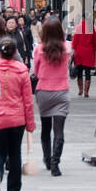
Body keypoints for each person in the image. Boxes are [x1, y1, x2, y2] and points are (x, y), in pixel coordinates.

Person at [0, 38, 35, 191]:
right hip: (17, 118)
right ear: (16, 52)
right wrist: (30, 123)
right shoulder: (22, 70)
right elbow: (28, 100)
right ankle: (14, 187)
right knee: (15, 152)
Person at [32, 17, 71, 175]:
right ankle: (56, 164)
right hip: (62, 91)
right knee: (59, 130)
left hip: (44, 91)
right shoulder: (67, 47)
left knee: (45, 127)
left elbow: (35, 71)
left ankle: (47, 160)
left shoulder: (39, 49)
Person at [71, 17, 96, 98]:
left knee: (79, 71)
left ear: (83, 18)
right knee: (88, 72)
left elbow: (75, 40)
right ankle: (86, 91)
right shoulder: (92, 28)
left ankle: (80, 90)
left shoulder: (78, 27)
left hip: (79, 52)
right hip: (88, 52)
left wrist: (73, 50)